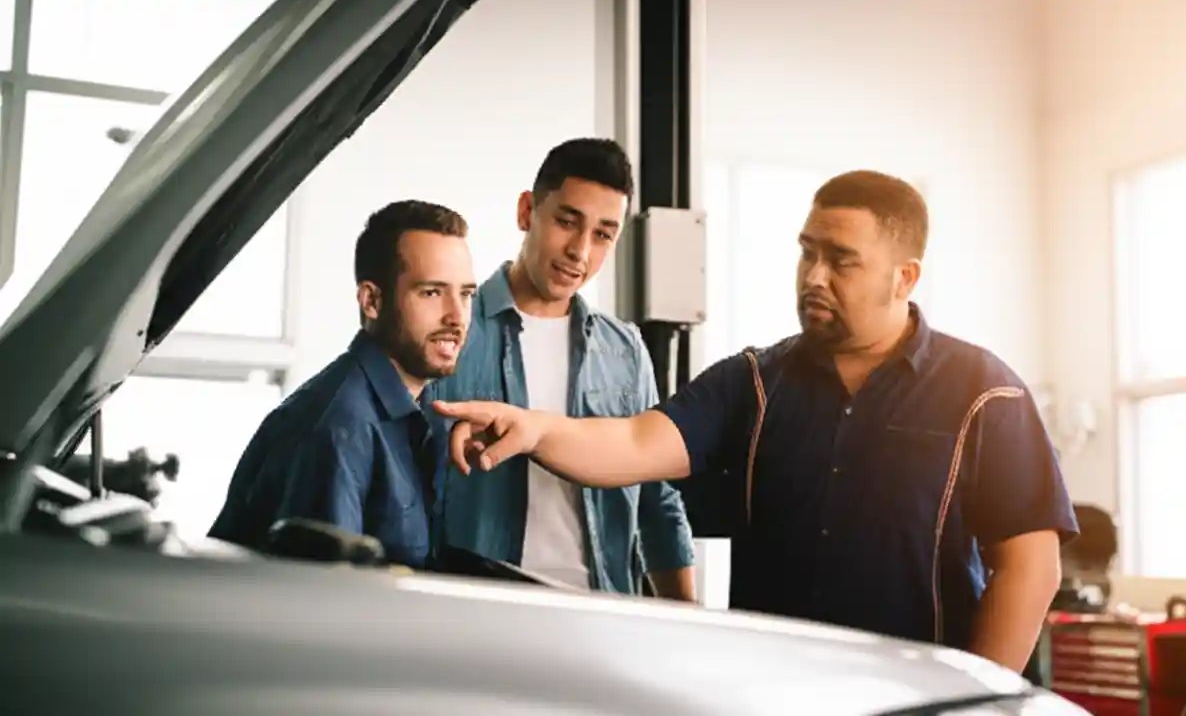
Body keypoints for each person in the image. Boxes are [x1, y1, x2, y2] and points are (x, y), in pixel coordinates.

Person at [434, 170, 1078, 672]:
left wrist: (974, 704)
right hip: (775, 691)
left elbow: (1030, 567)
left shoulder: (983, 395)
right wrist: (538, 429)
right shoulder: (755, 383)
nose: (814, 276)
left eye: (842, 260)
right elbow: (636, 441)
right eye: (807, 253)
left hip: (914, 696)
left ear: (904, 277)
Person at [424, 138, 696, 599]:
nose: (580, 251)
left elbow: (658, 504)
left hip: (604, 613)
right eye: (567, 222)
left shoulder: (624, 350)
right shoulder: (453, 332)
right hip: (479, 617)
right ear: (527, 212)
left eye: (603, 234)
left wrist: (688, 627)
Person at [209, 200, 476, 568]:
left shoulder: (422, 411)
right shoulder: (338, 429)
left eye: (466, 294)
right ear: (372, 301)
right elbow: (324, 608)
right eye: (431, 292)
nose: (457, 316)